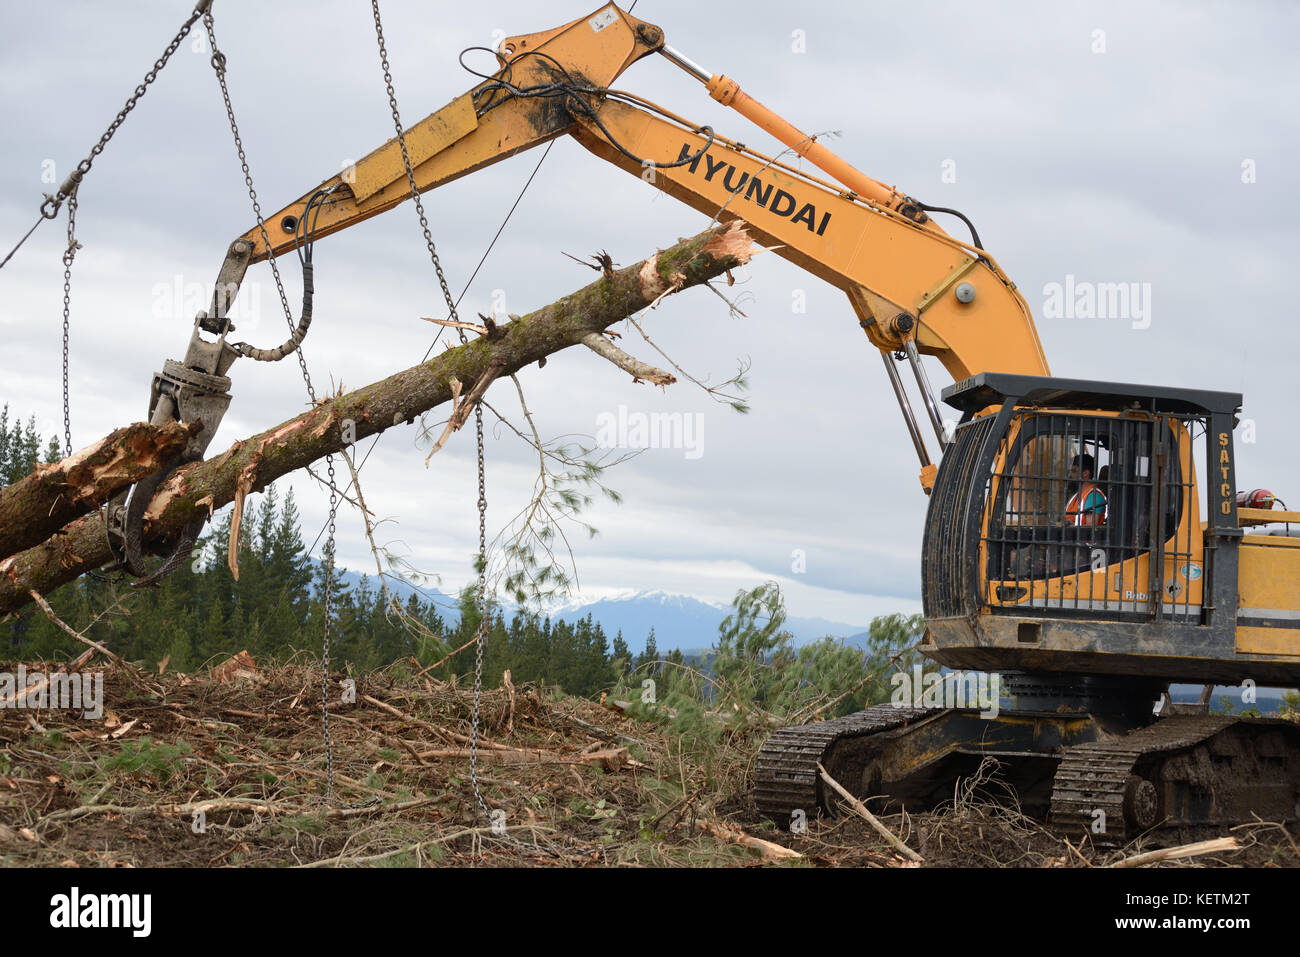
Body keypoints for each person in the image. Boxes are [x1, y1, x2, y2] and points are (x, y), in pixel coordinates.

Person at [1065, 453, 1107, 527]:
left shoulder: (1093, 495)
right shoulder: (1076, 495)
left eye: (1074, 471)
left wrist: (1066, 525)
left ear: (1085, 474)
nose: (1069, 475)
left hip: (1081, 538)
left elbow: (1090, 528)